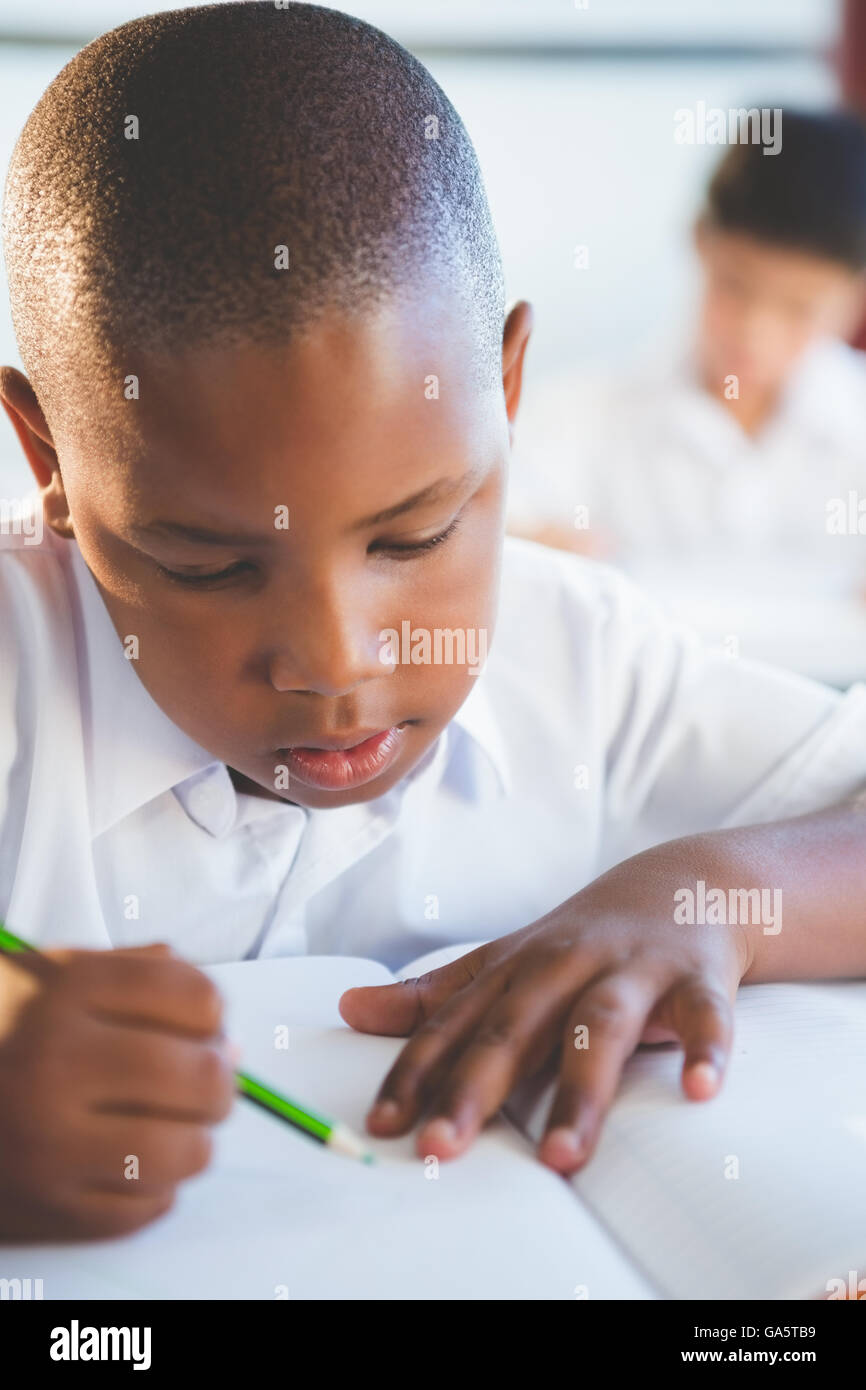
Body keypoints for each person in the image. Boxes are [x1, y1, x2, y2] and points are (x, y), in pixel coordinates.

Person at [1, 4, 866, 1244]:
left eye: (410, 537)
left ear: (504, 394)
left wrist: (713, 891)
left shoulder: (585, 662)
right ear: (50, 457)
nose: (339, 660)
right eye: (203, 563)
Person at [508, 110, 866, 604]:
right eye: (736, 287)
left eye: (798, 308)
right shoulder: (576, 416)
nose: (756, 334)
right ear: (700, 240)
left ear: (855, 293)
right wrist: (522, 550)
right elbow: (495, 535)